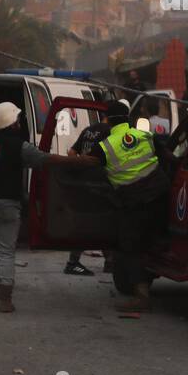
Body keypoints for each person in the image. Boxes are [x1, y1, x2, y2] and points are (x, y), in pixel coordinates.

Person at [0, 102, 92, 311]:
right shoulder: (19, 145)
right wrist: (81, 162)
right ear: (12, 122)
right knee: (5, 252)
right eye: (17, 119)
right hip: (8, 204)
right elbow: (46, 160)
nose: (19, 123)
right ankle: (5, 301)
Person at [84, 99, 173, 314]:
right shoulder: (145, 135)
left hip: (135, 204)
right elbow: (170, 160)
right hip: (161, 197)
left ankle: (141, 296)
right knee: (154, 237)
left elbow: (84, 169)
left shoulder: (104, 147)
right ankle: (159, 252)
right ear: (129, 119)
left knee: (128, 248)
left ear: (107, 121)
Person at [62, 101, 128, 277]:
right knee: (103, 222)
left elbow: (71, 154)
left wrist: (79, 168)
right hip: (101, 182)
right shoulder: (110, 133)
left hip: (83, 182)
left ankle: (108, 261)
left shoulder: (88, 130)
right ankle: (74, 262)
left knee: (94, 222)